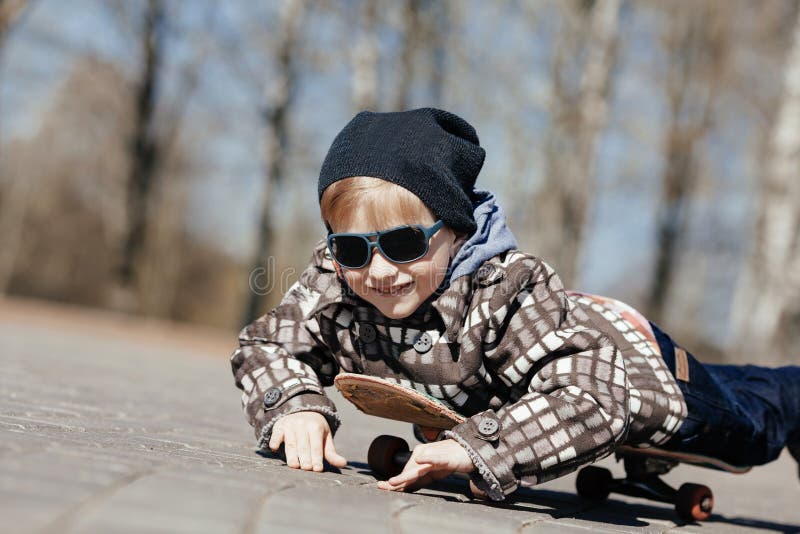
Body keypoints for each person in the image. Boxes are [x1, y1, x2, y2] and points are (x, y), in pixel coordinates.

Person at [230, 107, 800, 501]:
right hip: (563, 341)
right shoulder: (337, 279)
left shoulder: (506, 289)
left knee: (751, 424)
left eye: (403, 243)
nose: (377, 270)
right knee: (735, 382)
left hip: (635, 365)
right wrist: (295, 405)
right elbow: (267, 343)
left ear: (455, 231)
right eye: (353, 247)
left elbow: (596, 396)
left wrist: (477, 447)